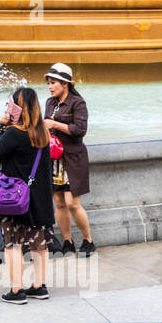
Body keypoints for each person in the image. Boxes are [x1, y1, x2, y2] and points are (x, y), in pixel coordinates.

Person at [0, 86, 55, 304]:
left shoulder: (15, 133)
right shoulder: (43, 133)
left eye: (12, 103)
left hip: (15, 199)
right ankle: (39, 286)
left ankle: (16, 290)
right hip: (39, 199)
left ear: (18, 107)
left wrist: (1, 126)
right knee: (38, 244)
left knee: (13, 244)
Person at [42, 63, 93, 256]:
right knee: (59, 203)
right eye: (49, 83)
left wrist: (55, 124)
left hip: (73, 159)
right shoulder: (49, 102)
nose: (50, 86)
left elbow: (80, 130)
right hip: (54, 159)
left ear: (65, 84)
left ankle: (88, 240)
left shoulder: (77, 103)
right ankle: (67, 242)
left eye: (53, 82)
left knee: (72, 203)